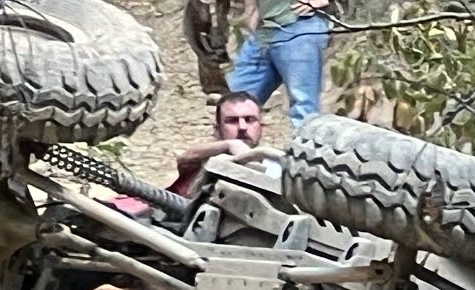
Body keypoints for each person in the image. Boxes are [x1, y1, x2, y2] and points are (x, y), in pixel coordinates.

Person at [106, 91, 268, 218]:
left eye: (249, 120)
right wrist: (231, 144)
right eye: (232, 120)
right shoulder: (207, 159)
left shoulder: (276, 166)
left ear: (261, 126)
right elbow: (186, 157)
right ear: (217, 128)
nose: (242, 127)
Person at [227, 0, 331, 129]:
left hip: (299, 24)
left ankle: (302, 141)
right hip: (261, 28)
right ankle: (233, 141)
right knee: (237, 102)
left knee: (303, 106)